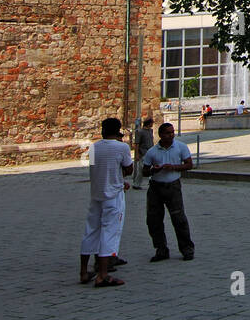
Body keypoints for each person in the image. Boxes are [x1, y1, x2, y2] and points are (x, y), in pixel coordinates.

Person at [79, 118, 132, 287]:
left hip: (96, 194)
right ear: (118, 131)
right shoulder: (122, 147)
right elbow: (128, 168)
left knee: (91, 231)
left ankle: (83, 271)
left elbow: (96, 169)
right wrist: (119, 181)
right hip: (113, 196)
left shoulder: (94, 147)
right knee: (109, 232)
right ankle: (103, 274)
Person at [142, 122, 194, 262]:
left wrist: (174, 167)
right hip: (156, 187)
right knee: (154, 220)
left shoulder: (180, 147)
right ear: (160, 135)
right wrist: (154, 170)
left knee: (179, 219)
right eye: (167, 133)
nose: (171, 135)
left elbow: (189, 164)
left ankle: (187, 248)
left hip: (173, 186)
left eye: (172, 132)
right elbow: (144, 171)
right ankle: (161, 249)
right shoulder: (152, 152)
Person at [131, 117, 155, 190]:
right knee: (141, 169)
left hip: (151, 151)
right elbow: (137, 144)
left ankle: (152, 183)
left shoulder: (151, 131)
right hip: (143, 152)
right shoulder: (140, 132)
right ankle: (136, 184)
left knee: (153, 168)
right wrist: (137, 154)